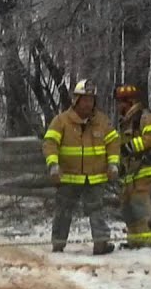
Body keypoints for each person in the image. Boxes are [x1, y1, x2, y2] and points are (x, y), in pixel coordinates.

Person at [42, 79, 121, 254]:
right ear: (76, 100)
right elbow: (50, 143)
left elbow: (114, 143)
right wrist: (53, 165)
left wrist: (113, 164)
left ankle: (101, 243)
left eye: (91, 99)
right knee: (63, 210)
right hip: (69, 176)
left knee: (97, 210)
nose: (88, 103)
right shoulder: (61, 121)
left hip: (96, 176)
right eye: (85, 99)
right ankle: (58, 243)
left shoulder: (102, 121)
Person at [114, 85, 151, 249]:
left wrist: (130, 147)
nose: (118, 107)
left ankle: (150, 243)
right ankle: (135, 241)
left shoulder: (144, 117)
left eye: (120, 103)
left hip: (145, 172)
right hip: (131, 174)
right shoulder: (126, 121)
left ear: (129, 102)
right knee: (129, 207)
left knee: (142, 207)